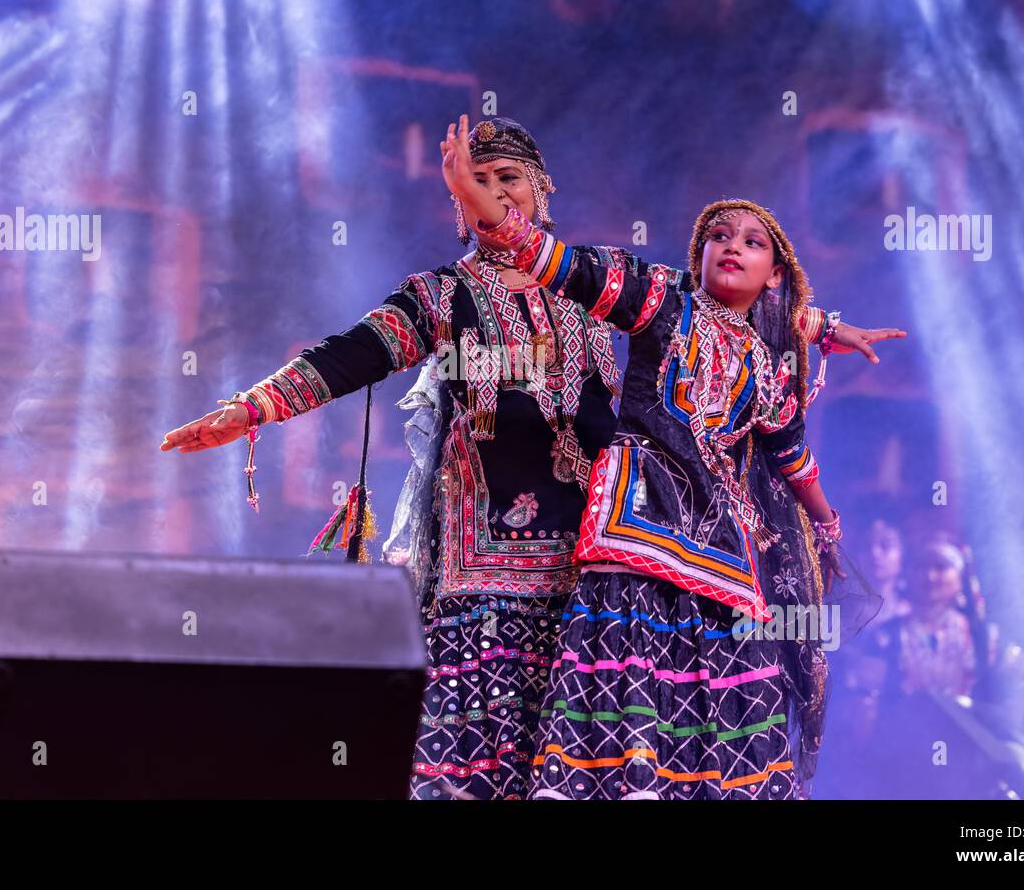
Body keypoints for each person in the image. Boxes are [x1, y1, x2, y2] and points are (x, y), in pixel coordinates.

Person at [162, 115, 902, 799]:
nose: (491, 193)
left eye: (506, 178)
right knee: (480, 775)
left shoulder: (591, 284)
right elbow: (354, 353)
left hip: (600, 577)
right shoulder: (440, 296)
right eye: (475, 182)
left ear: (540, 191)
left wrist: (823, 326)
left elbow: (715, 304)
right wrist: (252, 407)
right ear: (457, 200)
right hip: (485, 577)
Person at [445, 122, 864, 797]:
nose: (734, 246)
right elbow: (561, 263)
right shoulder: (658, 300)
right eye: (720, 237)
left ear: (774, 274)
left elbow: (792, 453)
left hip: (725, 555)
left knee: (731, 731)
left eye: (752, 243)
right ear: (696, 257)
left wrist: (827, 524)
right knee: (632, 725)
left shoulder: (765, 367)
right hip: (638, 532)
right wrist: (483, 205)